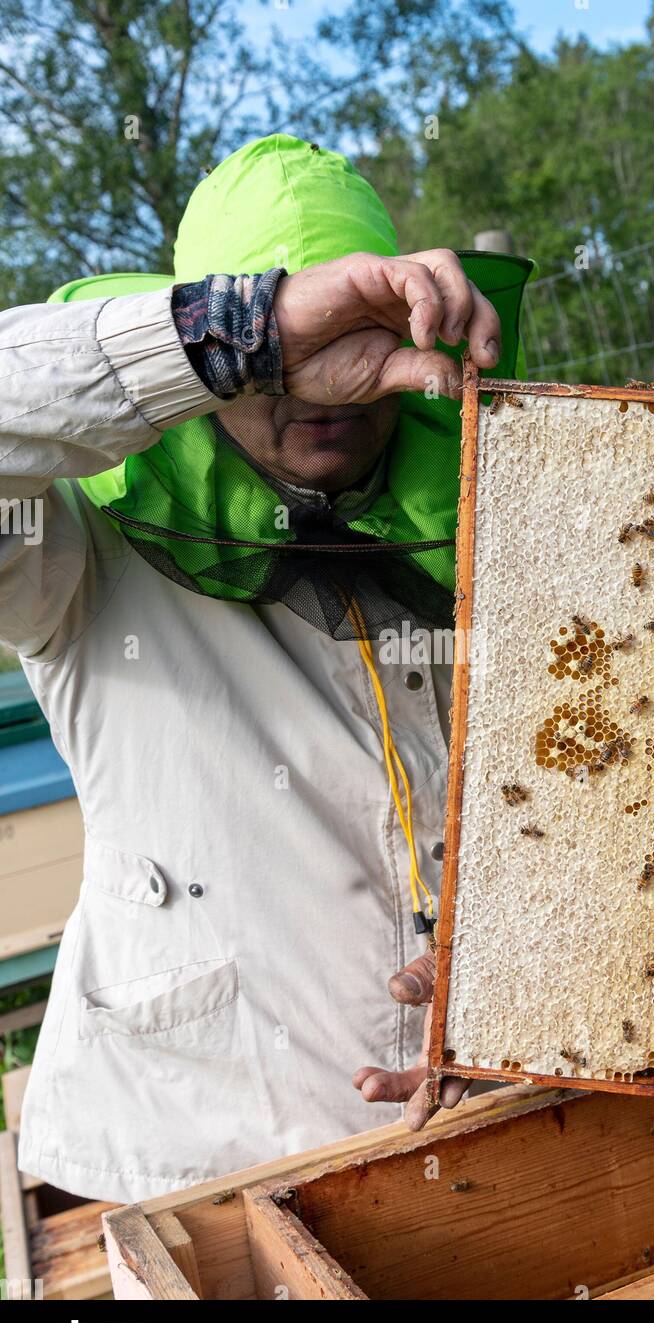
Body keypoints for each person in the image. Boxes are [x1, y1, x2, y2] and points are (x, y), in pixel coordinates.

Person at [0, 134, 530, 1202]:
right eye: (289, 353)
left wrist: (517, 966)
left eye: (356, 335)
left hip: (469, 1143)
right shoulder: (77, 553)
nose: (322, 384)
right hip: (192, 1167)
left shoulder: (487, 518)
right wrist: (243, 332)